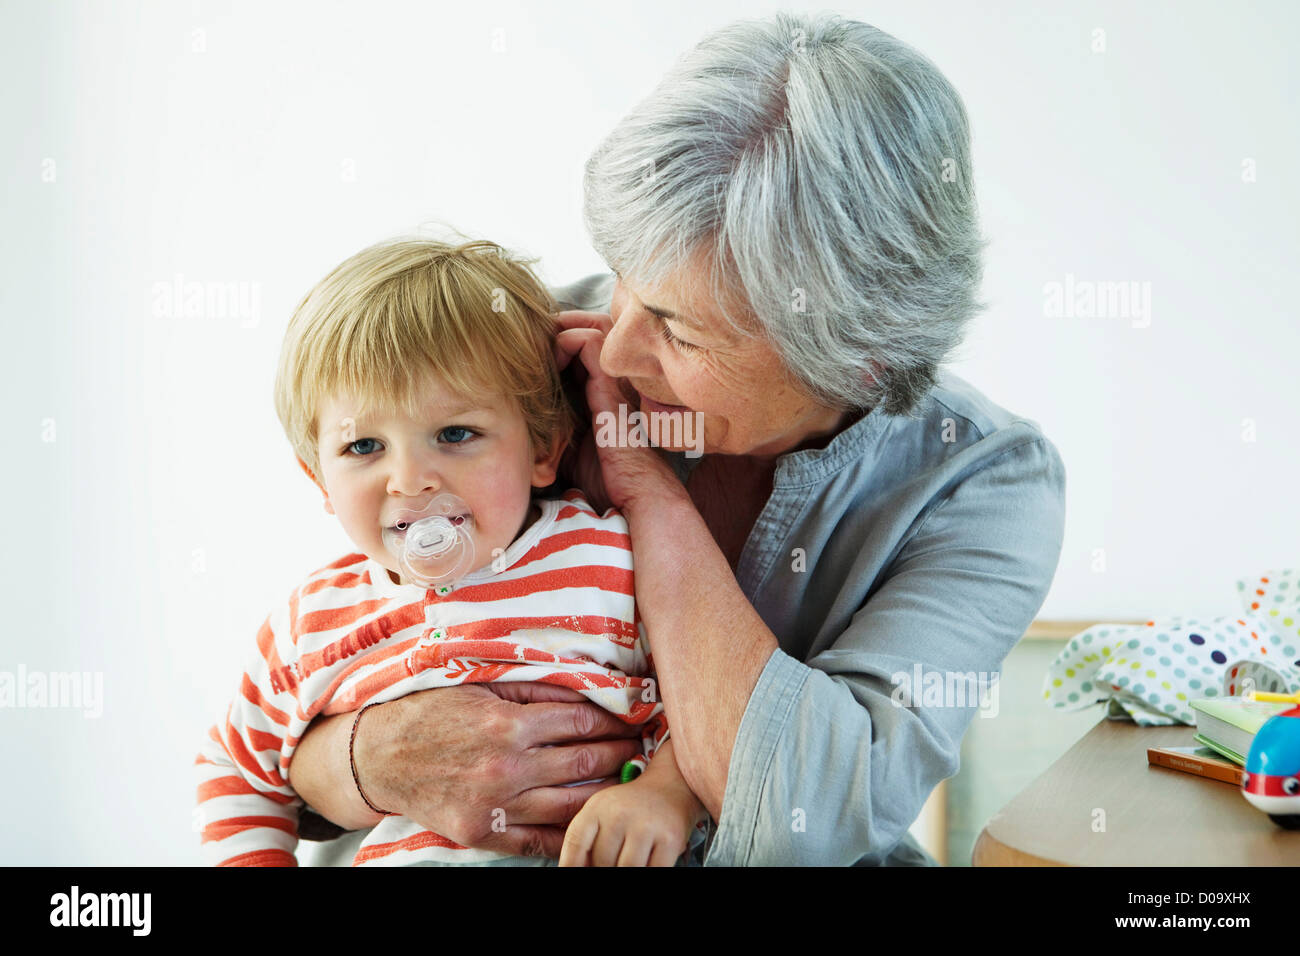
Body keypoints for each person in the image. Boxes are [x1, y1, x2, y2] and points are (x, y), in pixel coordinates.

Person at [287, 12, 1068, 866]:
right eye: (625, 276)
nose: (612, 347)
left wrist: (649, 494)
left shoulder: (981, 481)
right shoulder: (500, 367)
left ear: (861, 360)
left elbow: (802, 822)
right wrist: (365, 758)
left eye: (678, 329)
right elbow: (296, 689)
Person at [194, 237, 707, 866]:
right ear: (319, 480)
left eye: (455, 434)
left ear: (544, 450)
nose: (410, 480)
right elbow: (235, 769)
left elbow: (701, 709)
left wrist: (664, 795)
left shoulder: (606, 561)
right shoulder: (309, 624)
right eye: (363, 448)